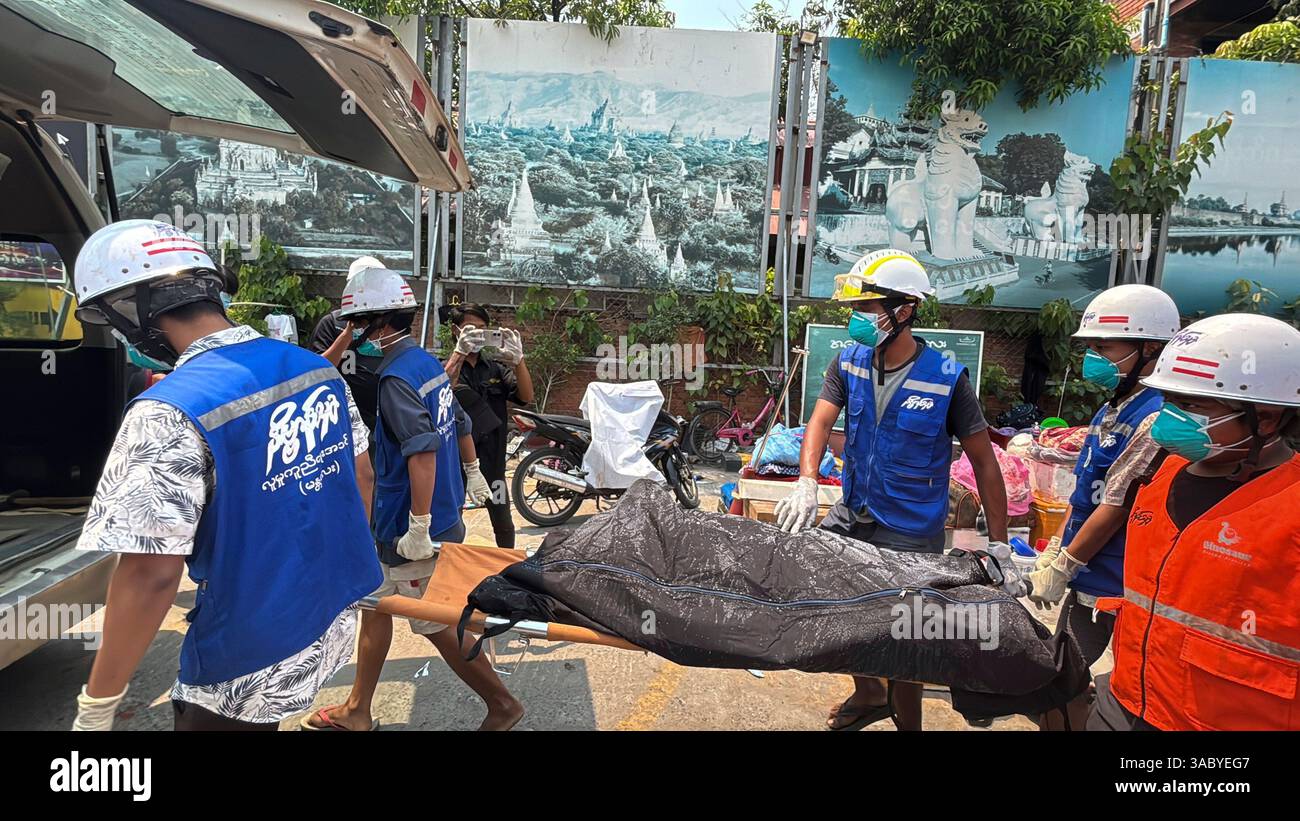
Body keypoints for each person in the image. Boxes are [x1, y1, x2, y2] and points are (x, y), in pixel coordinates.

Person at [69, 220, 382, 731]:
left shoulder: (168, 410)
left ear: (129, 310)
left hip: (246, 654)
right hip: (328, 617)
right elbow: (360, 477)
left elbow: (151, 574)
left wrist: (99, 705)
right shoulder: (315, 370)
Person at [773, 249, 1015, 731]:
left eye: (868, 307)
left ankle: (908, 723)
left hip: (909, 531)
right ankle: (869, 694)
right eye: (855, 308)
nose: (857, 318)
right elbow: (820, 422)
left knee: (909, 640)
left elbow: (986, 465)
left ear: (904, 310)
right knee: (837, 610)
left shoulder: (947, 379)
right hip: (852, 513)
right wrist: (805, 480)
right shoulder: (849, 362)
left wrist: (1001, 545)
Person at [302, 269, 523, 731]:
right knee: (375, 603)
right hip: (431, 511)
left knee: (434, 622)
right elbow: (459, 421)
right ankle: (358, 708)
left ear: (380, 323)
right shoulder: (424, 363)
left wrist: (418, 526)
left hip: (412, 525)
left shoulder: (395, 379)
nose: (354, 336)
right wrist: (472, 472)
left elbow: (421, 449)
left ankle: (502, 704)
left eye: (357, 326)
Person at [1088, 313, 1300, 730]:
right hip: (1127, 700)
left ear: (1268, 418)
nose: (1171, 419)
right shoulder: (1160, 475)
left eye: (1193, 406)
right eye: (1171, 402)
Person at [1025, 284, 1179, 730]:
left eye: (1103, 347)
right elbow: (1086, 494)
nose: (1092, 358)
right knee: (1059, 680)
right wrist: (1057, 549)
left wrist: (1065, 564)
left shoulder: (1154, 418)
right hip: (1091, 575)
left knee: (1084, 685)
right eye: (1090, 347)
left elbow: (1116, 506)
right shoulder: (1111, 410)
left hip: (1120, 586)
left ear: (1149, 347)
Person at [441, 303, 534, 548]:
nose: (478, 334)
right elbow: (440, 391)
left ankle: (506, 570)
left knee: (503, 522)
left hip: (492, 463)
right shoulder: (445, 367)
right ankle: (451, 570)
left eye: (483, 329)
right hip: (455, 464)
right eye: (471, 329)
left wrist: (519, 361)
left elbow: (525, 396)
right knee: (452, 522)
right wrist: (458, 354)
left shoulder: (495, 368)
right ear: (455, 331)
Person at [310, 255, 386, 431]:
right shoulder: (332, 323)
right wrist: (347, 334)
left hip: (383, 418)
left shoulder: (387, 323)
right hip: (344, 419)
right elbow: (318, 372)